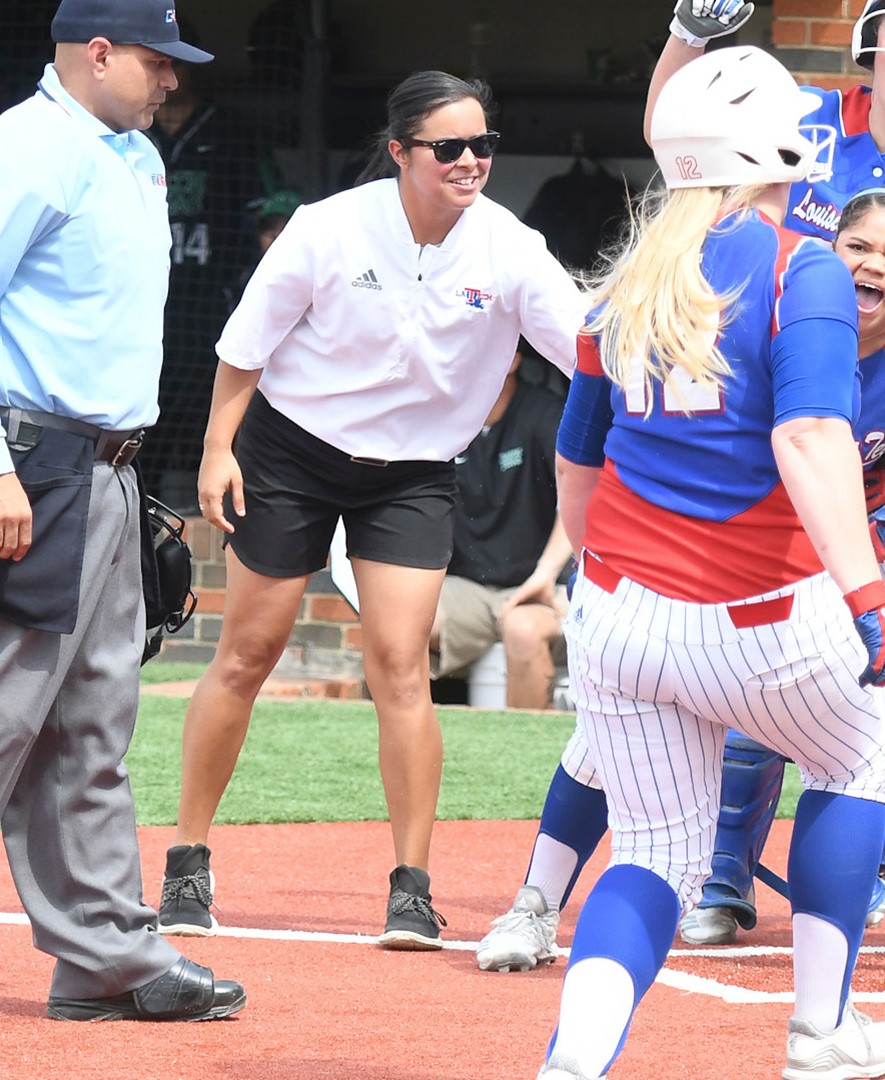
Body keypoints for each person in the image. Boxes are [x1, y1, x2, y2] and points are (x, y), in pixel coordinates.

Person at [476, 188, 885, 986]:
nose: (872, 265)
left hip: (852, 555)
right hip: (733, 558)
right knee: (609, 737)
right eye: (857, 246)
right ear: (825, 253)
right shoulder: (765, 312)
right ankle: (536, 903)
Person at [533, 46, 885, 1080]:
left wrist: (586, 574)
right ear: (770, 143)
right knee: (853, 757)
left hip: (617, 608)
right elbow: (809, 441)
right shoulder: (804, 262)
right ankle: (821, 1033)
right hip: (757, 613)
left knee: (652, 855)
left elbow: (577, 462)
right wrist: (870, 599)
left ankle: (574, 1061)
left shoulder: (627, 276)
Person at [154, 70, 587, 950]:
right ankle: (187, 862)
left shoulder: (508, 245)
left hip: (414, 471)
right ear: (399, 152)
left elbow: (586, 349)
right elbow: (244, 346)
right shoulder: (329, 228)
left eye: (484, 145)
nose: (471, 161)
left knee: (401, 663)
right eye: (449, 147)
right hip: (293, 451)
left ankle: (412, 888)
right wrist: (215, 451)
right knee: (247, 652)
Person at [0, 0, 244, 1022]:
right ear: (95, 54)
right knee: (10, 705)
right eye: (155, 61)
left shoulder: (128, 153)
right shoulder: (31, 148)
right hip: (31, 466)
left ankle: (105, 957)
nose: (171, 80)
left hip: (105, 471)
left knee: (90, 724)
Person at [652, 0, 885, 247]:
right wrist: (688, 35)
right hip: (780, 328)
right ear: (871, 40)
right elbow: (666, 135)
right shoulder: (806, 111)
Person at [141, 43, 280, 512]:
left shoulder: (231, 133)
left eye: (176, 63)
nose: (170, 74)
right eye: (159, 62)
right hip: (147, 313)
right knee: (146, 435)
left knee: (215, 422)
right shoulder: (129, 134)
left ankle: (227, 520)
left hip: (212, 314)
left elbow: (272, 208)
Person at [431, 344, 571, 711]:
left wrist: (544, 575)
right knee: (403, 622)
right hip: (469, 590)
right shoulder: (440, 421)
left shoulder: (546, 414)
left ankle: (523, 755)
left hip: (542, 586)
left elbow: (581, 500)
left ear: (513, 361)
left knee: (523, 632)